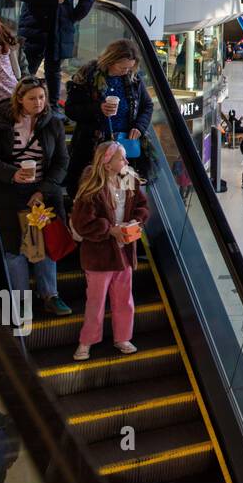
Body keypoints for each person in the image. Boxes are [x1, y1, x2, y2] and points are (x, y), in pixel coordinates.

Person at [0, 76, 71, 317]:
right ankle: (20, 299)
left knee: (45, 244)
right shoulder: (0, 122)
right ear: (19, 99)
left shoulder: (53, 123)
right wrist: (12, 174)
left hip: (42, 193)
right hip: (8, 194)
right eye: (32, 98)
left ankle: (50, 295)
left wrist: (43, 190)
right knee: (14, 248)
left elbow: (61, 161)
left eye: (42, 97)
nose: (38, 102)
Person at [69, 140, 149, 360]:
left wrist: (136, 221)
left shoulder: (128, 180)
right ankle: (87, 341)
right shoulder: (92, 188)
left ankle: (122, 337)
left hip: (124, 252)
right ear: (106, 164)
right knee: (95, 301)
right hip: (99, 257)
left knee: (124, 298)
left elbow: (142, 206)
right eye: (121, 158)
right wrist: (110, 230)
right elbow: (82, 223)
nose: (126, 161)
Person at [63, 39, 153, 191]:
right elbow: (71, 109)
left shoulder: (134, 79)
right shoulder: (88, 75)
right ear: (110, 60)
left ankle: (120, 214)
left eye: (130, 68)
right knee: (91, 192)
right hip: (92, 148)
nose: (126, 71)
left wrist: (140, 126)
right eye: (122, 67)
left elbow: (147, 105)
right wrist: (98, 109)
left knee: (126, 192)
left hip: (124, 149)